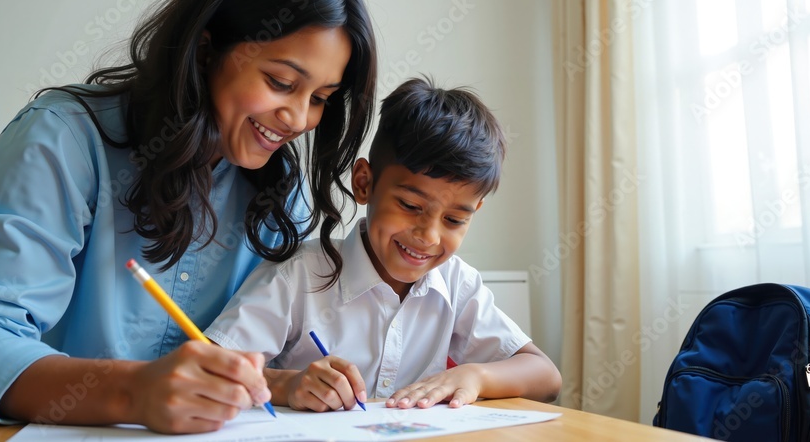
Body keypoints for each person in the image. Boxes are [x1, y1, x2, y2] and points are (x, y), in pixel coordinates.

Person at [0, 0, 377, 434]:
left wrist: (281, 383)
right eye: (281, 83)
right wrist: (134, 392)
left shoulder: (285, 198)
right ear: (205, 49)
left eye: (322, 97)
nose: (299, 118)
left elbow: (250, 358)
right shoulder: (64, 141)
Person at [205, 77, 562, 412]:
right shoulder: (297, 277)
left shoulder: (458, 285)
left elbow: (546, 377)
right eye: (410, 206)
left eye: (454, 219)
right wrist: (286, 385)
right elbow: (210, 371)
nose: (429, 236)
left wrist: (476, 375)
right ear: (364, 183)